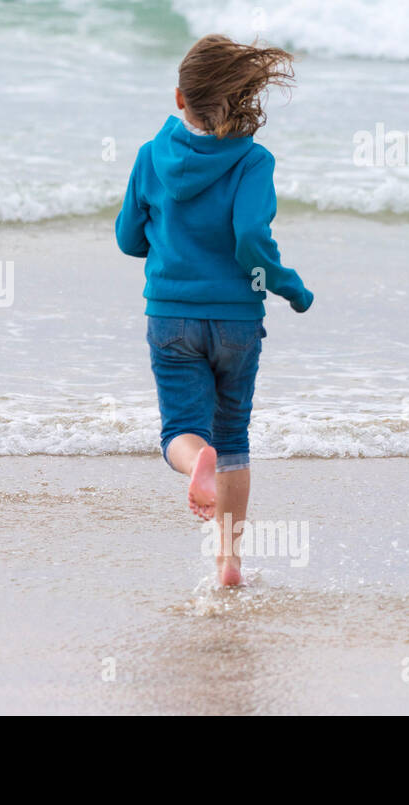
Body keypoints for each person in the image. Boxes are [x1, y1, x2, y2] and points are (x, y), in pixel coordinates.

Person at [115, 35, 313, 586]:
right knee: (234, 439)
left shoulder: (151, 156)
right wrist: (289, 286)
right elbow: (251, 238)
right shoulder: (253, 160)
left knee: (181, 431)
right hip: (236, 321)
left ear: (179, 98)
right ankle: (229, 561)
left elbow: (129, 239)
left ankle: (192, 460)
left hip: (171, 316)